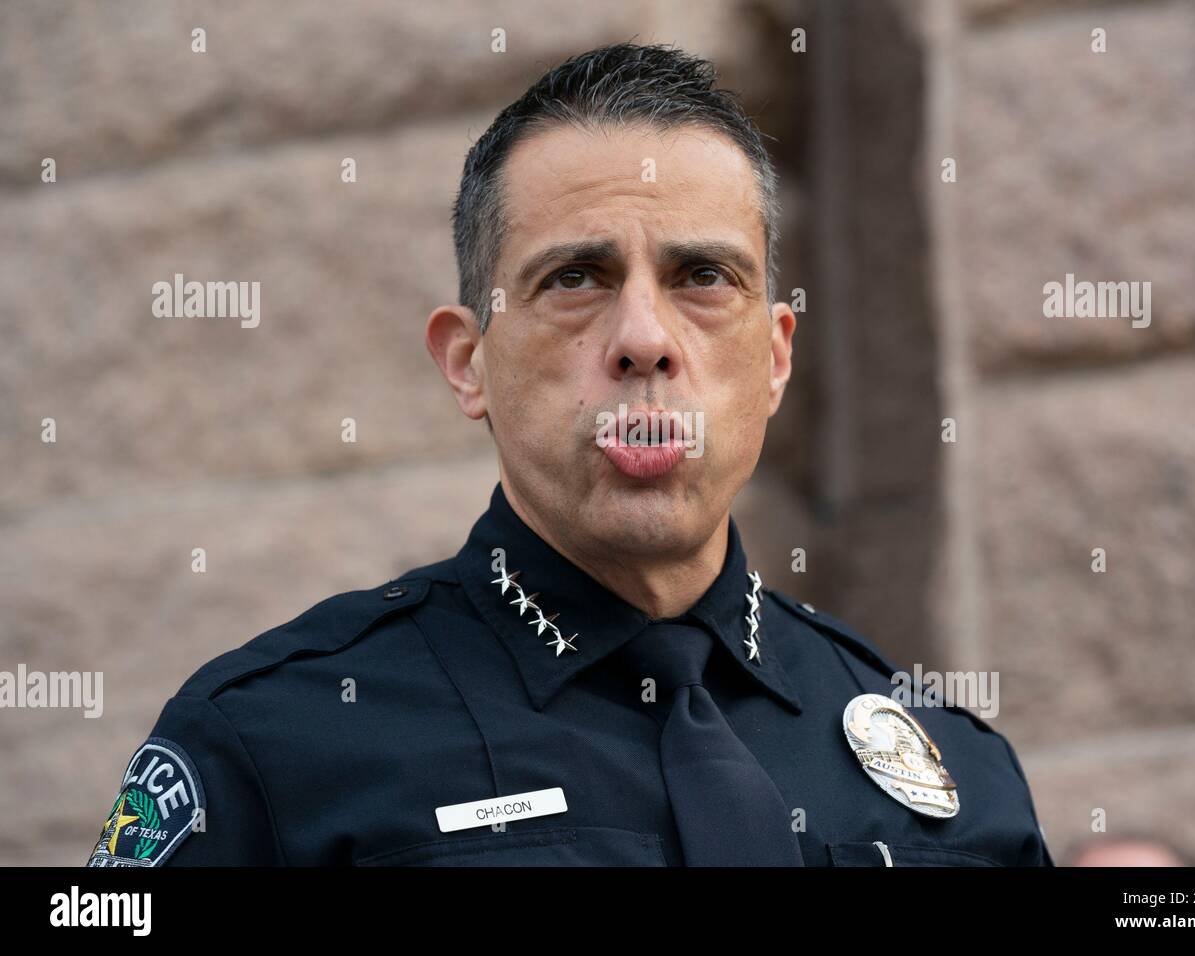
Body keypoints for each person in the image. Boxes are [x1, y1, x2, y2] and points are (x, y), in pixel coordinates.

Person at [87, 42, 1053, 867]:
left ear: (775, 358)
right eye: (577, 277)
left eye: (704, 276)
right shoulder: (270, 747)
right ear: (469, 364)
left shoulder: (956, 777)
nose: (644, 338)